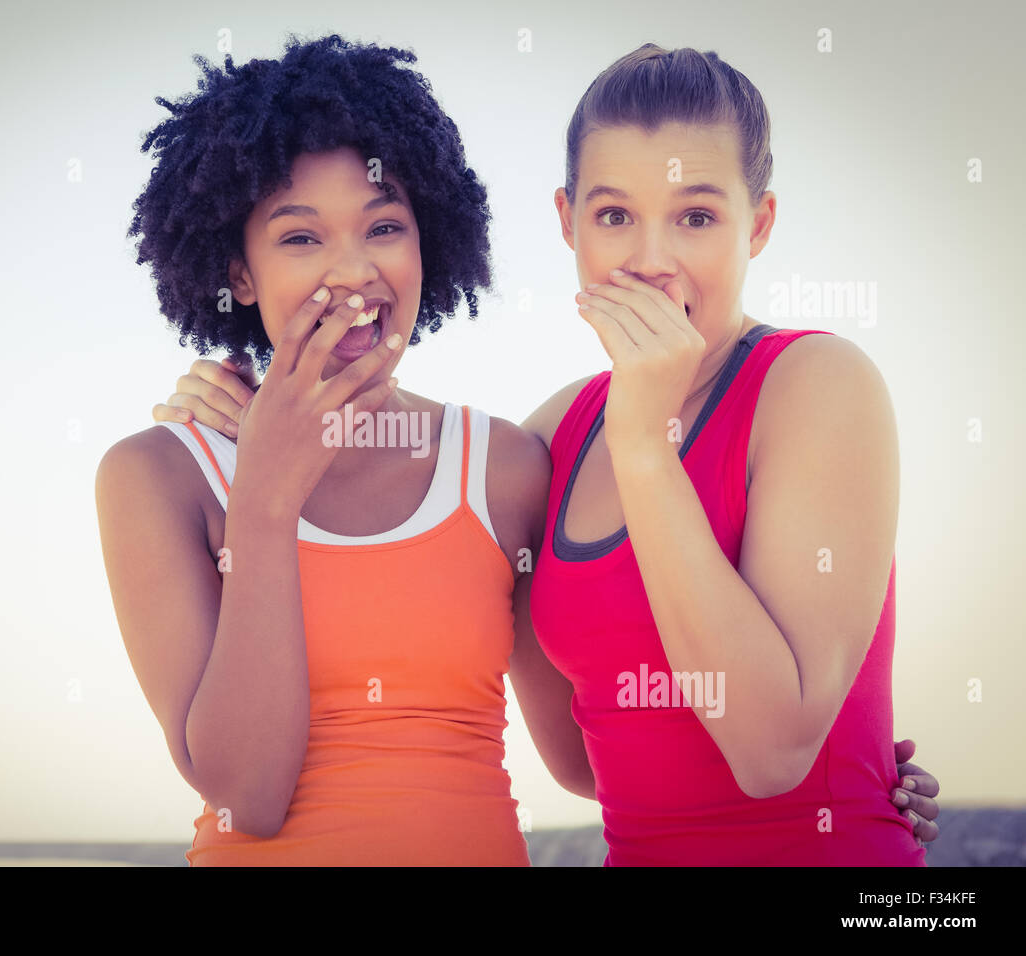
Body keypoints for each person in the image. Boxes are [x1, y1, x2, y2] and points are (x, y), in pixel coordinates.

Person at [148, 42, 943, 864]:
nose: (650, 259)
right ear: (567, 222)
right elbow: (582, 760)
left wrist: (644, 444)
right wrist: (229, 420)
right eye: (614, 217)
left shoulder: (817, 384)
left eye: (697, 217)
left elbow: (774, 755)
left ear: (760, 225)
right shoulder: (555, 436)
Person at [97, 34, 549, 865]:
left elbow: (587, 761)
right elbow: (249, 794)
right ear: (239, 273)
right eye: (301, 238)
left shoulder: (507, 468)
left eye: (384, 226)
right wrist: (264, 497)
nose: (352, 271)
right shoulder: (159, 477)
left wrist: (857, 772)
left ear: (428, 243)